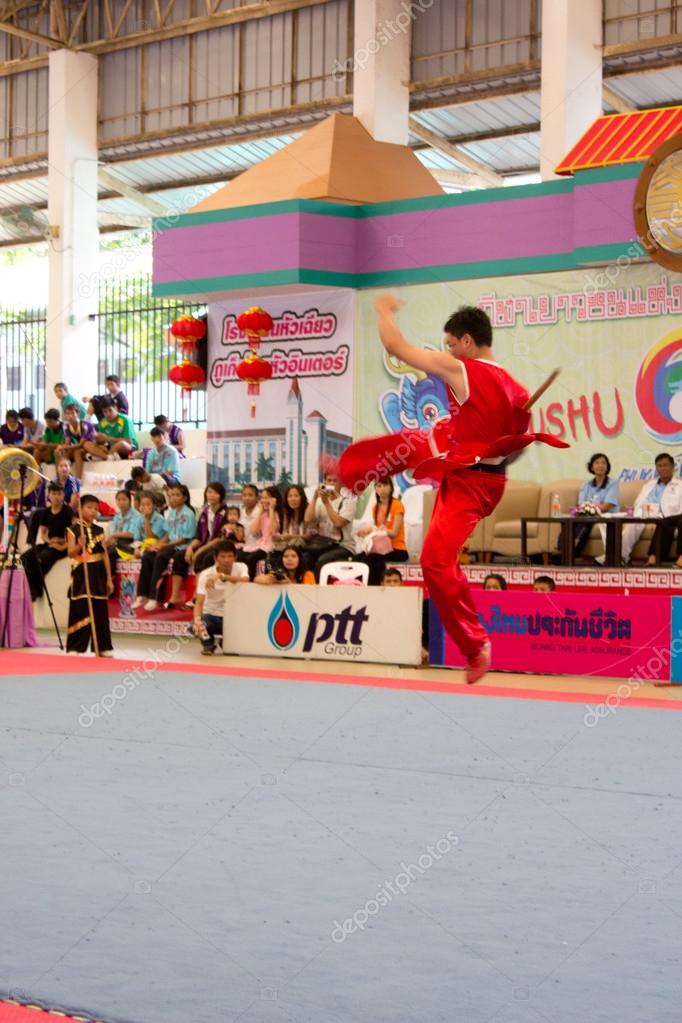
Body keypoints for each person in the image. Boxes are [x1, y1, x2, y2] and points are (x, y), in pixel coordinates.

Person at [338, 295, 567, 684]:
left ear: (465, 341)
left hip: (471, 481)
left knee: (434, 562)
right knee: (410, 443)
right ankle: (349, 472)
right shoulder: (514, 389)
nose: (446, 353)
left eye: (449, 345)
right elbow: (507, 456)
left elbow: (396, 347)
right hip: (473, 468)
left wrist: (382, 310)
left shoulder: (463, 369)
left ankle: (475, 646)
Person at [133, 483, 196, 610]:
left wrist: (164, 546)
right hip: (170, 546)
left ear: (184, 497)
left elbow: (185, 538)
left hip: (182, 547)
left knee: (161, 557)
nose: (173, 498)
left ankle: (155, 597)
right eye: (171, 495)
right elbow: (168, 533)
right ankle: (142, 594)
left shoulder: (189, 514)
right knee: (148, 556)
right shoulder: (171, 513)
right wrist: (158, 544)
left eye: (177, 495)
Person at [65, 494, 114, 656]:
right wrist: (80, 545)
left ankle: (103, 646)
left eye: (96, 508)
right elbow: (71, 554)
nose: (93, 511)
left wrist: (109, 578)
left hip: (98, 572)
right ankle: (75, 647)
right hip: (81, 571)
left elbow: (105, 554)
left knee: (100, 609)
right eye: (89, 507)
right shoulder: (72, 530)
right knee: (80, 608)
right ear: (80, 509)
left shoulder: (100, 530)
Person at [621, 453, 682, 566]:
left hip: (667, 517)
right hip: (645, 514)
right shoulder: (649, 484)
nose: (662, 468)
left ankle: (654, 558)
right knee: (632, 525)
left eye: (665, 465)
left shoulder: (679, 485)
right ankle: (621, 556)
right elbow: (638, 503)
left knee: (666, 523)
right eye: (659, 465)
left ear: (673, 467)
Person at [193, 540, 249, 655]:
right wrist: (197, 621)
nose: (226, 560)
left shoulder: (241, 567)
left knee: (232, 649)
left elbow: (245, 580)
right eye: (222, 556)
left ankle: (226, 642)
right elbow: (199, 603)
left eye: (229, 556)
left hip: (233, 617)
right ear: (215, 558)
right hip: (211, 616)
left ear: (235, 557)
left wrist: (222, 576)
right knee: (197, 623)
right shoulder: (205, 574)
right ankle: (208, 644)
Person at [20, 482, 73, 600]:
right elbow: (43, 533)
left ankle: (36, 590)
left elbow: (73, 533)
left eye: (59, 493)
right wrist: (50, 542)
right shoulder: (46, 512)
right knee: (25, 557)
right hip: (50, 544)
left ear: (63, 495)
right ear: (49, 495)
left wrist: (62, 544)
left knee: (41, 558)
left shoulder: (68, 511)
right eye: (53, 493)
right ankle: (33, 588)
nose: (56, 496)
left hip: (64, 546)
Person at [303, 465, 358, 579]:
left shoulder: (348, 502)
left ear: (341, 483)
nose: (331, 483)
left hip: (344, 546)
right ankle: (307, 587)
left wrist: (326, 503)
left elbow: (338, 523)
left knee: (322, 561)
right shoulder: (319, 501)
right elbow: (308, 519)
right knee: (304, 557)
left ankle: (320, 592)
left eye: (335, 481)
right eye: (329, 480)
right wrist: (314, 498)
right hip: (323, 544)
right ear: (324, 482)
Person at [355, 477, 408, 585]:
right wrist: (368, 531)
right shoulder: (375, 508)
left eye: (385, 485)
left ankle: (375, 588)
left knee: (372, 559)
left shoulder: (397, 505)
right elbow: (378, 533)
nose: (382, 489)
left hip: (397, 548)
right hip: (381, 548)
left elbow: (393, 533)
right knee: (358, 558)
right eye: (379, 486)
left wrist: (379, 530)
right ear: (375, 488)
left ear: (391, 487)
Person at [573, 453, 620, 562]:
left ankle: (574, 553)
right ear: (591, 467)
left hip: (606, 515)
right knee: (572, 522)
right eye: (597, 463)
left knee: (586, 523)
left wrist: (591, 509)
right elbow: (581, 505)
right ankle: (562, 549)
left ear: (607, 467)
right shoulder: (586, 485)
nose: (600, 465)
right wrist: (588, 510)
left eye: (603, 463)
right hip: (588, 515)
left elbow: (608, 505)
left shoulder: (613, 484)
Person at [185, 482, 229, 575]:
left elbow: (221, 538)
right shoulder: (204, 512)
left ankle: (203, 587)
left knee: (204, 557)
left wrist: (199, 550)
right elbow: (199, 536)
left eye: (216, 493)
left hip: (218, 545)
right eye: (209, 492)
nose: (212, 495)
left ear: (221, 495)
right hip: (204, 544)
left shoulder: (226, 513)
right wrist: (190, 548)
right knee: (180, 556)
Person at [239, 486, 283, 580]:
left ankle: (250, 582)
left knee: (251, 558)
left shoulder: (278, 513)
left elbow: (273, 530)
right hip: (261, 542)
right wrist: (261, 511)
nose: (264, 500)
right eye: (262, 498)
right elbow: (254, 531)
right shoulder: (262, 513)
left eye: (267, 497)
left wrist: (271, 509)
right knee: (240, 555)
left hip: (272, 545)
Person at [105, 489, 144, 577]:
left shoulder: (136, 516)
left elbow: (132, 534)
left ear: (130, 501)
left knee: (111, 552)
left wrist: (113, 535)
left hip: (133, 544)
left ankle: (111, 579)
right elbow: (112, 536)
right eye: (118, 500)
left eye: (124, 499)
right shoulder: (117, 516)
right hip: (118, 544)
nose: (121, 502)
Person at [56, 403, 97, 478]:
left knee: (77, 452)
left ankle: (78, 479)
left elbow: (80, 444)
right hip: (81, 447)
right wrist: (61, 448)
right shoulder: (66, 426)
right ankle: (62, 477)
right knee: (63, 451)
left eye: (72, 413)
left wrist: (63, 447)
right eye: (67, 414)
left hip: (92, 447)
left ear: (77, 414)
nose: (70, 416)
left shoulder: (85, 425)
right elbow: (67, 443)